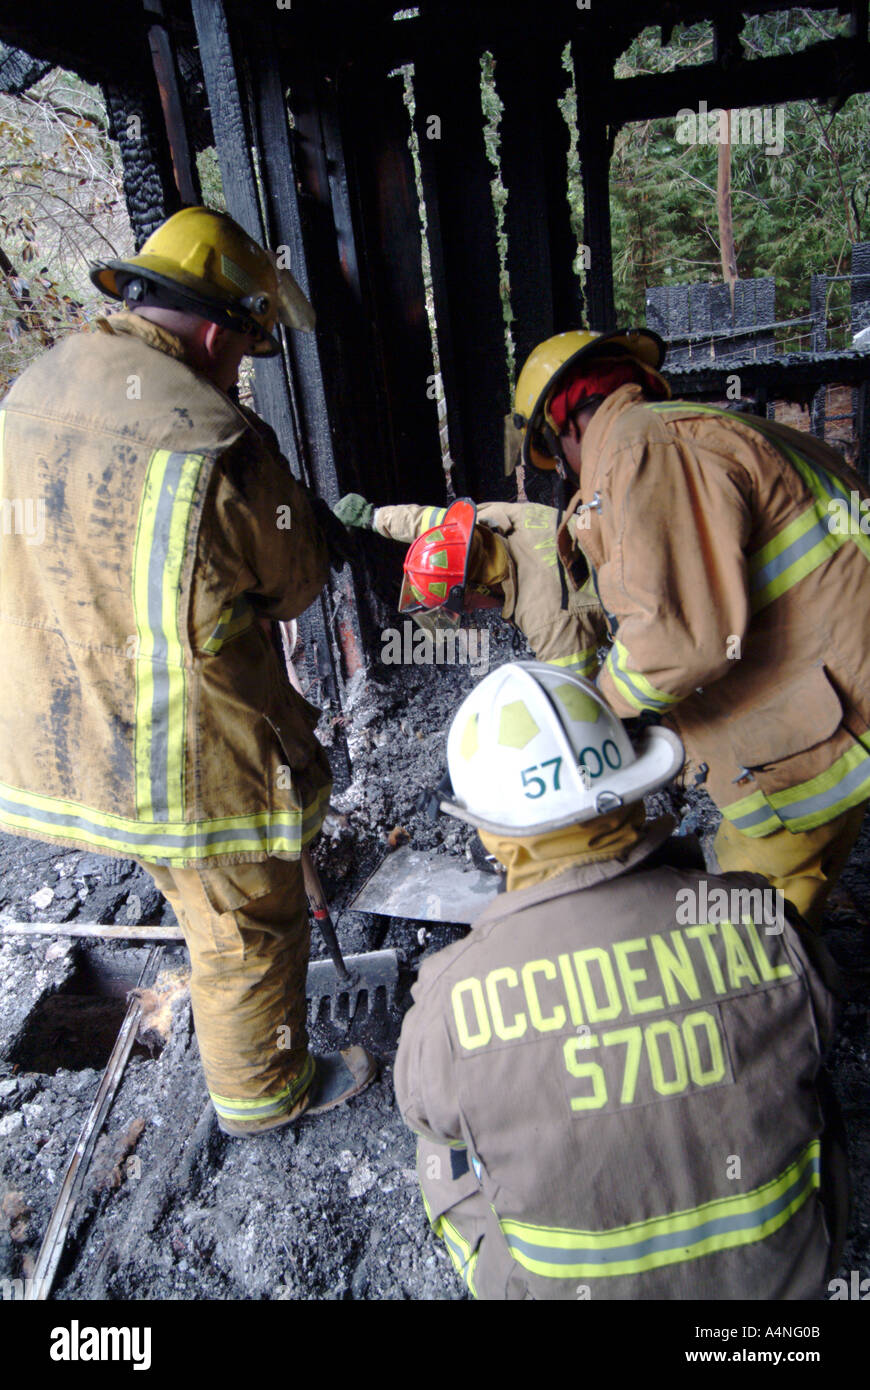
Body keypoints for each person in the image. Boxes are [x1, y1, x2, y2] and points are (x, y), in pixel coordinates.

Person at [0, 206, 375, 1135]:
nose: (238, 367)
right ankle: (266, 1096)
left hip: (52, 731)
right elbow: (291, 587)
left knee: (202, 889)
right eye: (246, 347)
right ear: (217, 331)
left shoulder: (36, 386)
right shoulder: (210, 433)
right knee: (251, 919)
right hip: (173, 751)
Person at [394, 661, 848, 1299]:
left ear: (494, 837)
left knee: (439, 1148)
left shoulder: (444, 1009)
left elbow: (427, 1112)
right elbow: (825, 1015)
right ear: (633, 789)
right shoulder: (764, 919)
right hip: (777, 1302)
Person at [511, 328, 870, 924]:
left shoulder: (639, 448)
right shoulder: (692, 429)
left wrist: (601, 713)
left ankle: (776, 1003)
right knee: (791, 877)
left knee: (740, 914)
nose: (570, 473)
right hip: (842, 683)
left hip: (830, 712)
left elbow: (681, 639)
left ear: (564, 424)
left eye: (557, 452)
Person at [334, 492, 605, 677]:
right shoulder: (487, 522)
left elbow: (577, 700)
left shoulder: (547, 621)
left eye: (463, 605)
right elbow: (423, 521)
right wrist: (370, 517)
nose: (469, 613)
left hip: (636, 597)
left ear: (480, 587)